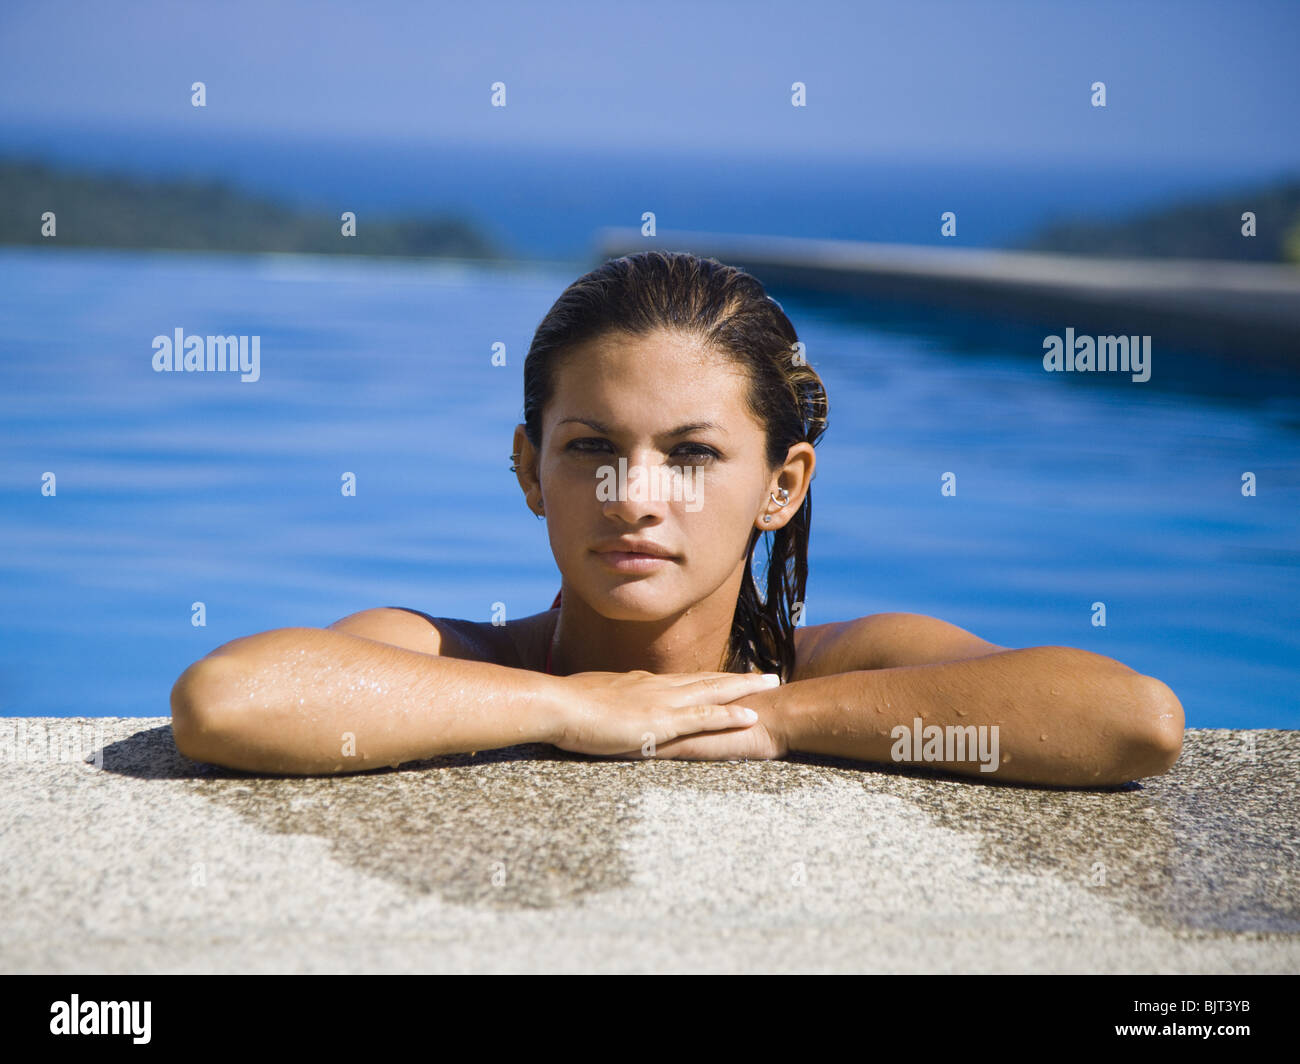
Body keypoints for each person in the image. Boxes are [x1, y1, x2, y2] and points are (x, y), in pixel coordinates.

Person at [170, 251, 1184, 785]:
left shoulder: (839, 667)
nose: (633, 495)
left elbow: (1130, 720)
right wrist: (572, 708)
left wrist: (770, 716)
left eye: (692, 454)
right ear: (528, 469)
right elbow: (226, 701)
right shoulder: (455, 655)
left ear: (781, 485)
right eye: (589, 448)